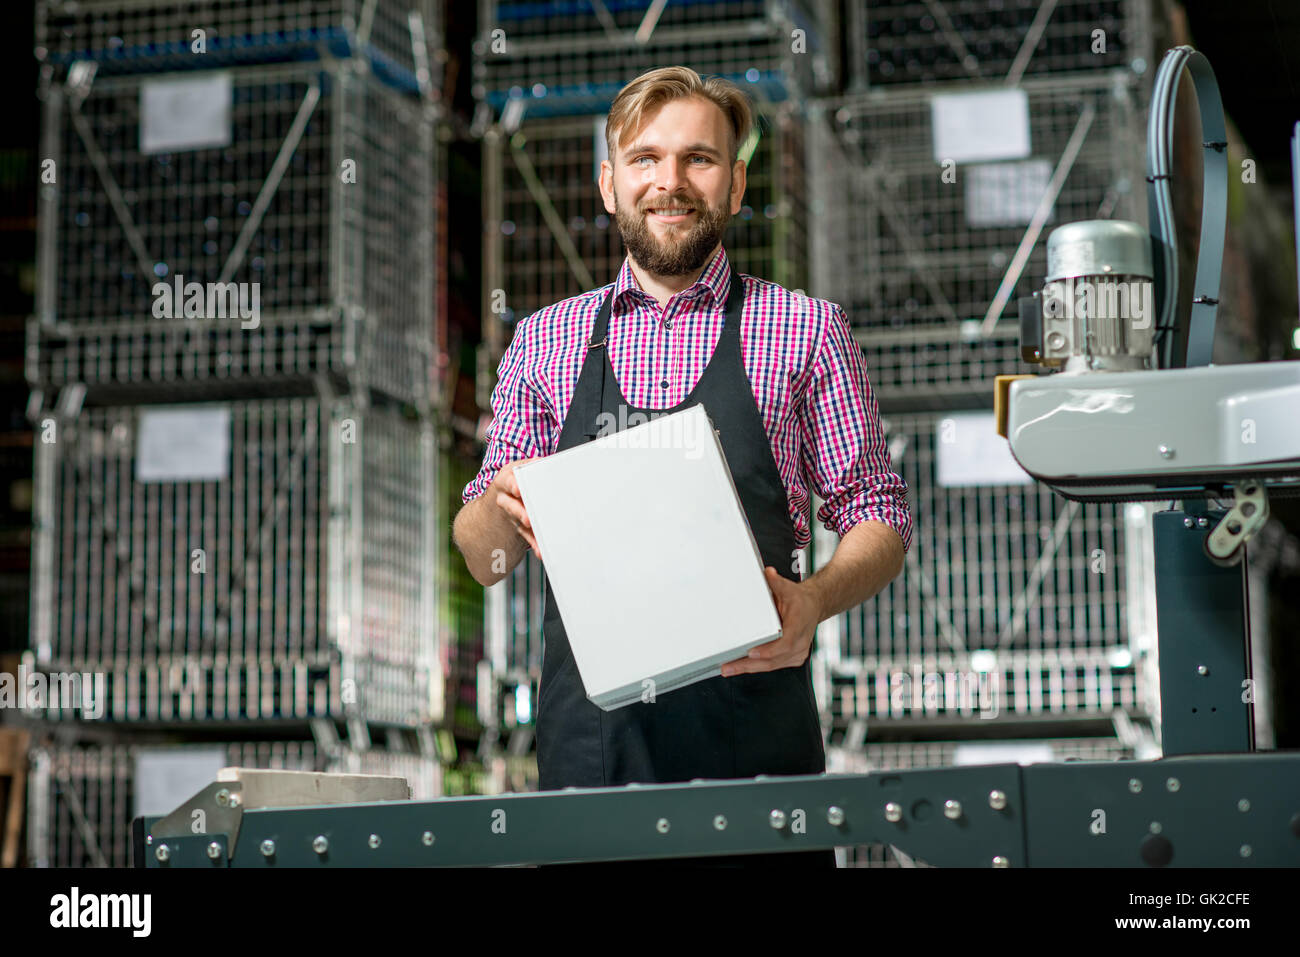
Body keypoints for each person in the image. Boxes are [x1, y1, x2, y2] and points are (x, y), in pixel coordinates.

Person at [453, 66, 913, 867]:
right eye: (645, 159)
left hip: (759, 759)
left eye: (700, 159)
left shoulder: (805, 330)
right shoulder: (543, 342)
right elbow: (483, 559)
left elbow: (880, 513)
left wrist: (813, 601)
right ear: (609, 184)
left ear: (736, 184)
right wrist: (499, 506)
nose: (671, 181)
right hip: (591, 763)